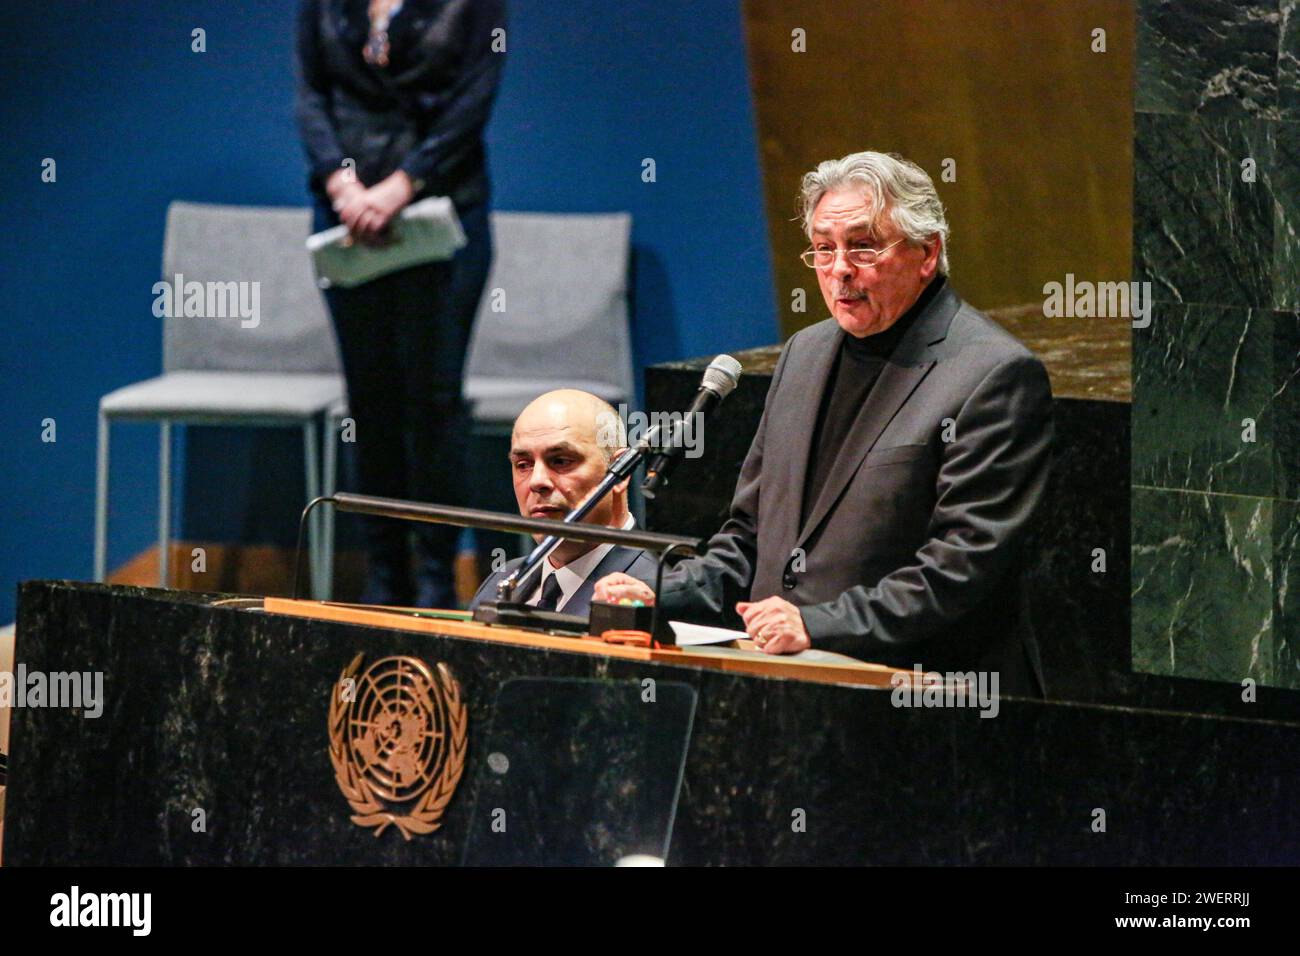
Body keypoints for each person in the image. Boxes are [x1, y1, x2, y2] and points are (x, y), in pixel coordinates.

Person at [596, 150, 1054, 695]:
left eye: (862, 246)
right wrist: (655, 590)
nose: (839, 269)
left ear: (927, 252)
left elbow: (959, 570)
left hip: (925, 699)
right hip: (788, 687)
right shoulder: (804, 354)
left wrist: (814, 623)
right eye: (823, 249)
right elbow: (747, 540)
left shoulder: (993, 374)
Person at [295, 0, 505, 606]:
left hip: (443, 217)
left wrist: (400, 186)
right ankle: (385, 578)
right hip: (348, 224)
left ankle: (438, 579)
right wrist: (343, 184)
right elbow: (311, 94)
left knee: (434, 402)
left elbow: (474, 99)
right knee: (371, 400)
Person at [470, 390, 657, 617]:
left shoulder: (651, 591)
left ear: (621, 473)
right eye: (523, 465)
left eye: (560, 461)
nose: (537, 481)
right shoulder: (500, 581)